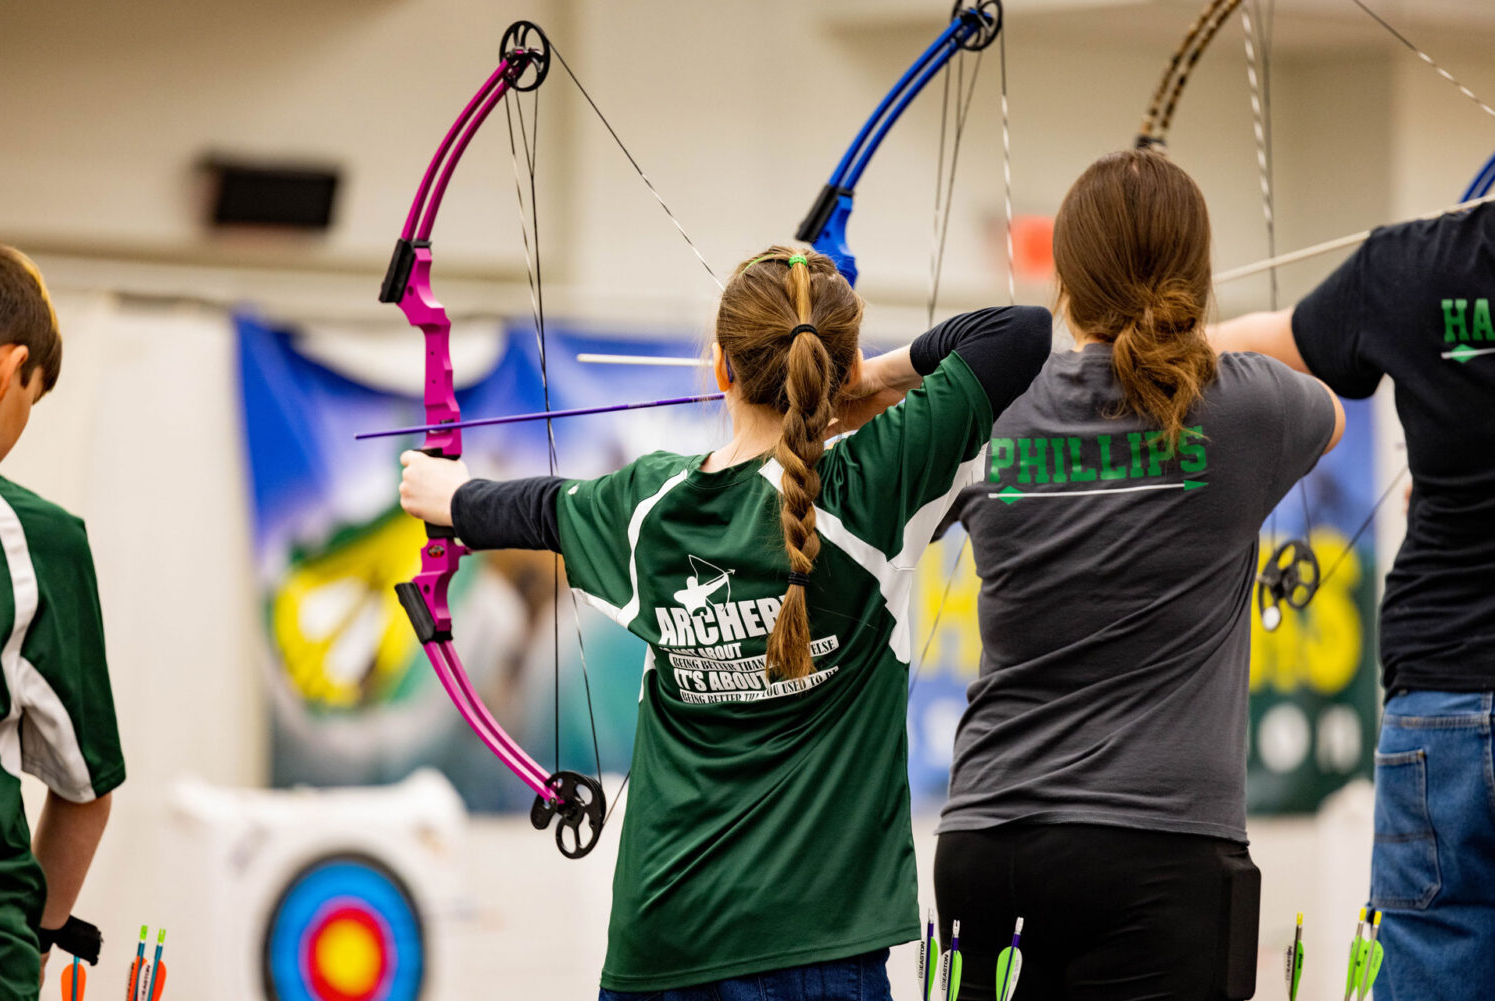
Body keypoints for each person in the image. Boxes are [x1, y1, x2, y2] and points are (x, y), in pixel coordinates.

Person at [399, 246, 1051, 1000]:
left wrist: (450, 493)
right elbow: (1021, 332)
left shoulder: (651, 506)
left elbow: (536, 507)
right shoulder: (868, 484)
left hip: (660, 947)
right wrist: (873, 378)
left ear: (721, 368)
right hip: (816, 946)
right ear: (832, 374)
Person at [923, 151, 1344, 1000]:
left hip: (988, 844)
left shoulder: (988, 411)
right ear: (1195, 277)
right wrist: (1187, 344)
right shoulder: (1245, 406)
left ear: (1067, 281)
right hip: (1159, 855)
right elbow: (1333, 412)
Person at [1211, 201, 1495, 1001]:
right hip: (1434, 695)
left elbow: (1257, 344)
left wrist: (1108, 352)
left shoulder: (1416, 262)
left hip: (1439, 701)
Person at [0, 244, 124, 1001]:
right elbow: (84, 790)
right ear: (7, 370)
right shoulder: (33, 539)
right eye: (29, 403)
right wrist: (42, 936)